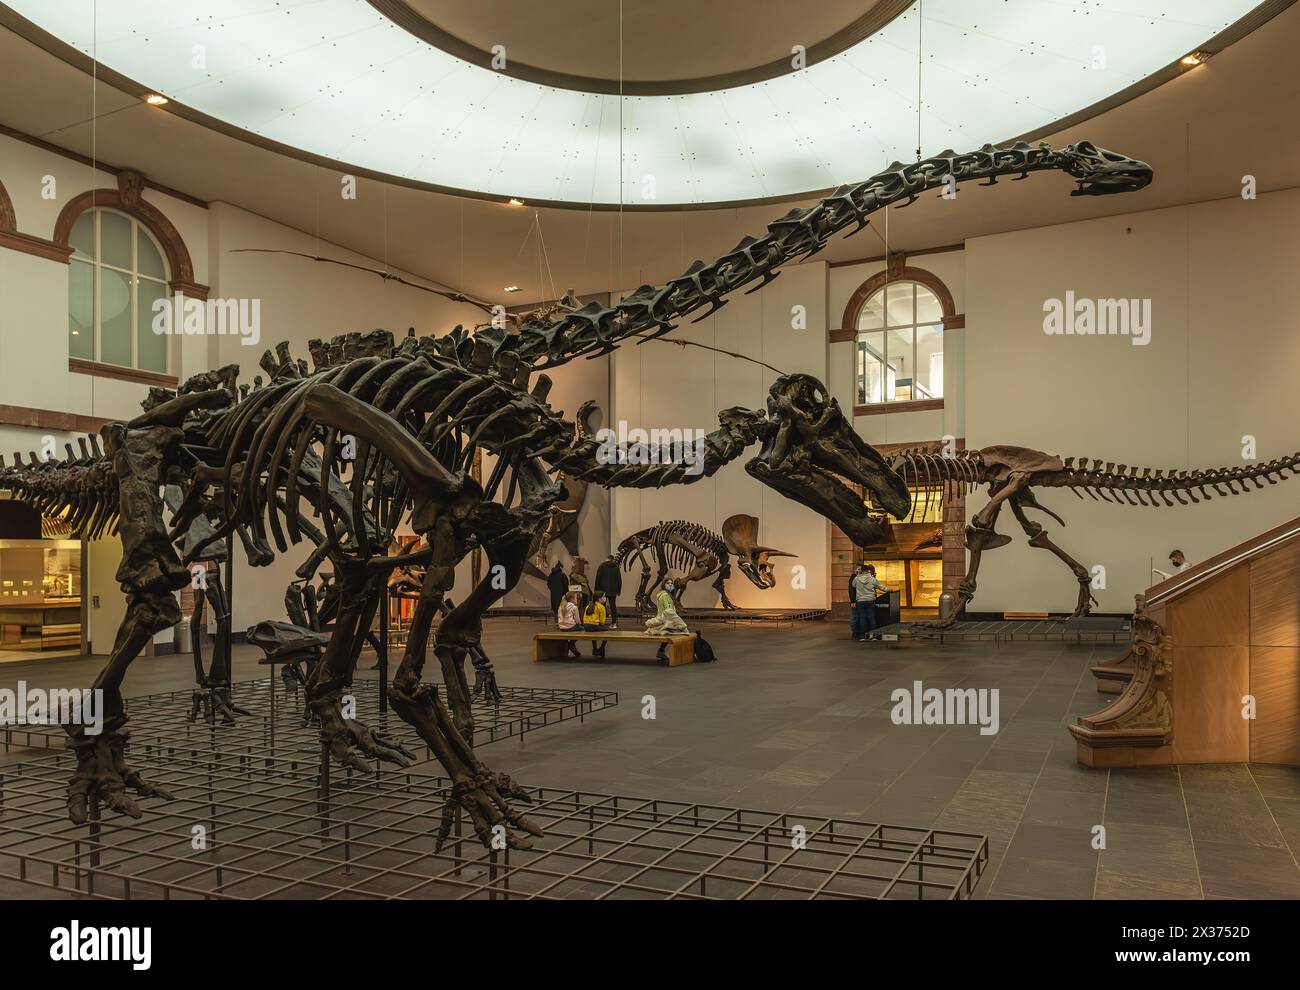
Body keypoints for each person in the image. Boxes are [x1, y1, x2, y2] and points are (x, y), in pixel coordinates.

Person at [645, 578, 690, 661]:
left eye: (671, 583)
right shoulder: (665, 595)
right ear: (664, 585)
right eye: (668, 583)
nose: (670, 584)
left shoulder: (664, 594)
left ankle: (661, 651)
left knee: (670, 633)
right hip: (665, 620)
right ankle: (684, 654)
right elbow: (668, 610)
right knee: (683, 632)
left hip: (664, 619)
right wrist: (680, 622)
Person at [851, 564, 893, 642]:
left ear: (861, 571)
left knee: (862, 619)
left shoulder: (856, 579)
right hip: (870, 601)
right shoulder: (872, 579)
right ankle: (873, 636)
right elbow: (881, 587)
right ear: (868, 571)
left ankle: (862, 636)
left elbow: (853, 585)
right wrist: (890, 590)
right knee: (871, 618)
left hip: (860, 601)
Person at [594, 553, 622, 629]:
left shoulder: (602, 566)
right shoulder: (616, 567)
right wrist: (618, 590)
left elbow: (598, 578)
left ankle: (601, 622)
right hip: (613, 591)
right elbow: (619, 579)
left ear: (607, 559)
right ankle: (614, 623)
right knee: (613, 606)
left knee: (602, 607)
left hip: (602, 591)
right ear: (612, 559)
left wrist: (596, 590)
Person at [584, 590, 612, 658]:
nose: (605, 598)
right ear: (599, 599)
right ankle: (602, 648)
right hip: (594, 626)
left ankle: (594, 649)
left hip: (586, 626)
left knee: (594, 633)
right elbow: (602, 622)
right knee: (608, 629)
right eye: (604, 596)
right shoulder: (601, 607)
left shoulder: (589, 606)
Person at [555, 588, 582, 657]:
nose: (577, 599)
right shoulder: (574, 607)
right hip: (570, 627)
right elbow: (578, 621)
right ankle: (571, 644)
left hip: (561, 627)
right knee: (583, 629)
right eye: (576, 598)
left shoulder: (561, 606)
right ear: (572, 599)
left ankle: (568, 645)